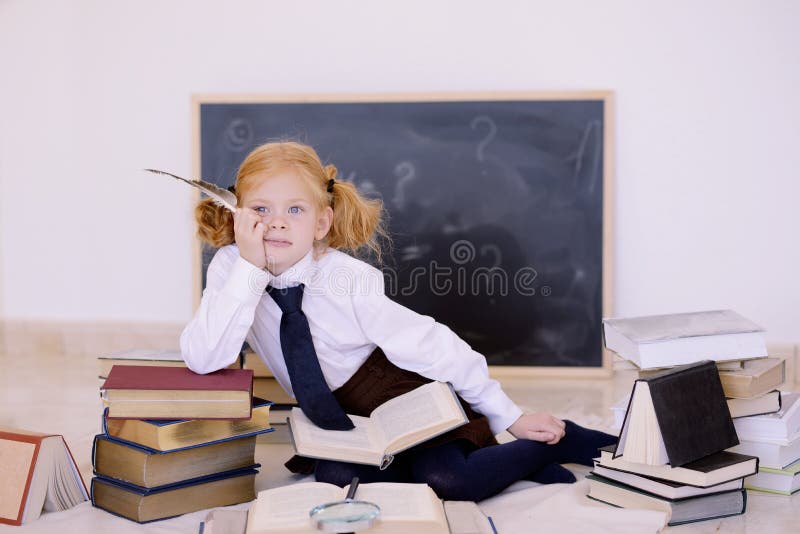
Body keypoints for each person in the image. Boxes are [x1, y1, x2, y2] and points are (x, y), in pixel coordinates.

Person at [180, 141, 616, 501]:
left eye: (294, 209)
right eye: (259, 208)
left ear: (321, 222)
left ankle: (539, 449)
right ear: (237, 214)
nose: (275, 223)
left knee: (451, 482)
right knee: (337, 481)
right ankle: (495, 467)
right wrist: (249, 273)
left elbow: (431, 343)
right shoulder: (230, 271)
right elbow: (203, 357)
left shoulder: (347, 280)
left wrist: (507, 415)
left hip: (402, 394)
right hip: (343, 418)